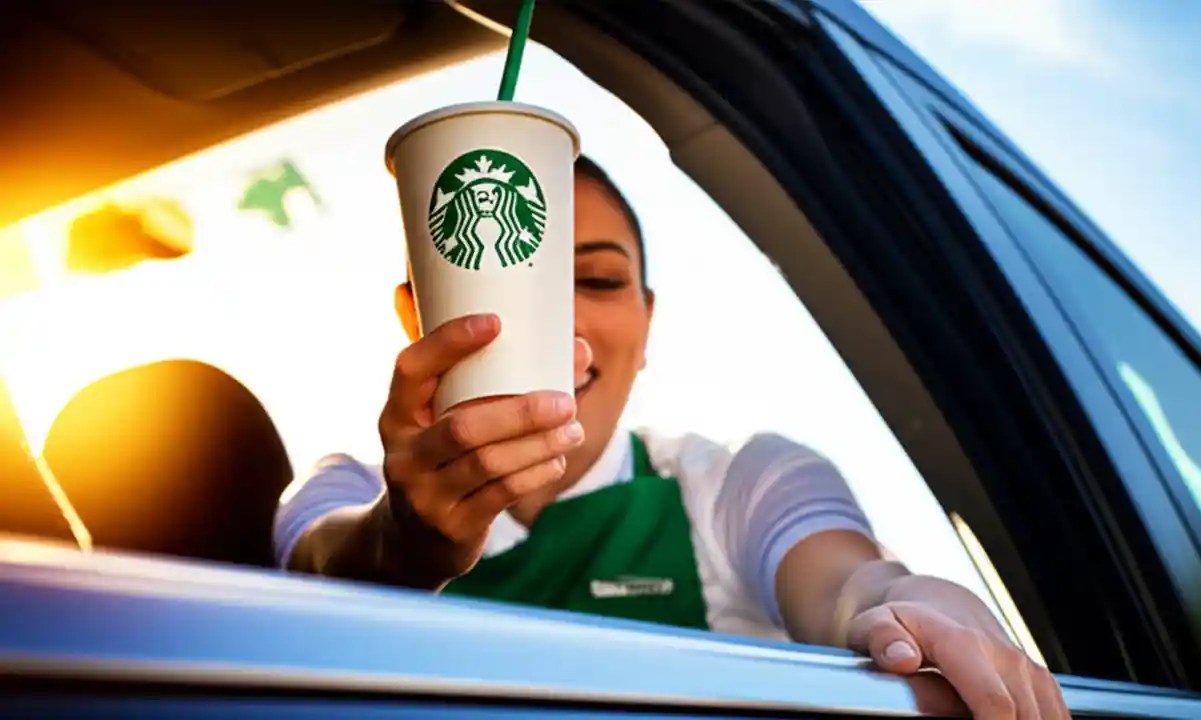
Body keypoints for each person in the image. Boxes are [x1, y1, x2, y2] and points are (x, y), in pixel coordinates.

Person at [275, 156, 1067, 719]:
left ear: (646, 323)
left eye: (599, 280)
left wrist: (913, 605)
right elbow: (315, 573)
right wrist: (400, 546)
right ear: (419, 319)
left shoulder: (733, 486)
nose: (563, 323)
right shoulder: (342, 487)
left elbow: (845, 582)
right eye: (513, 278)